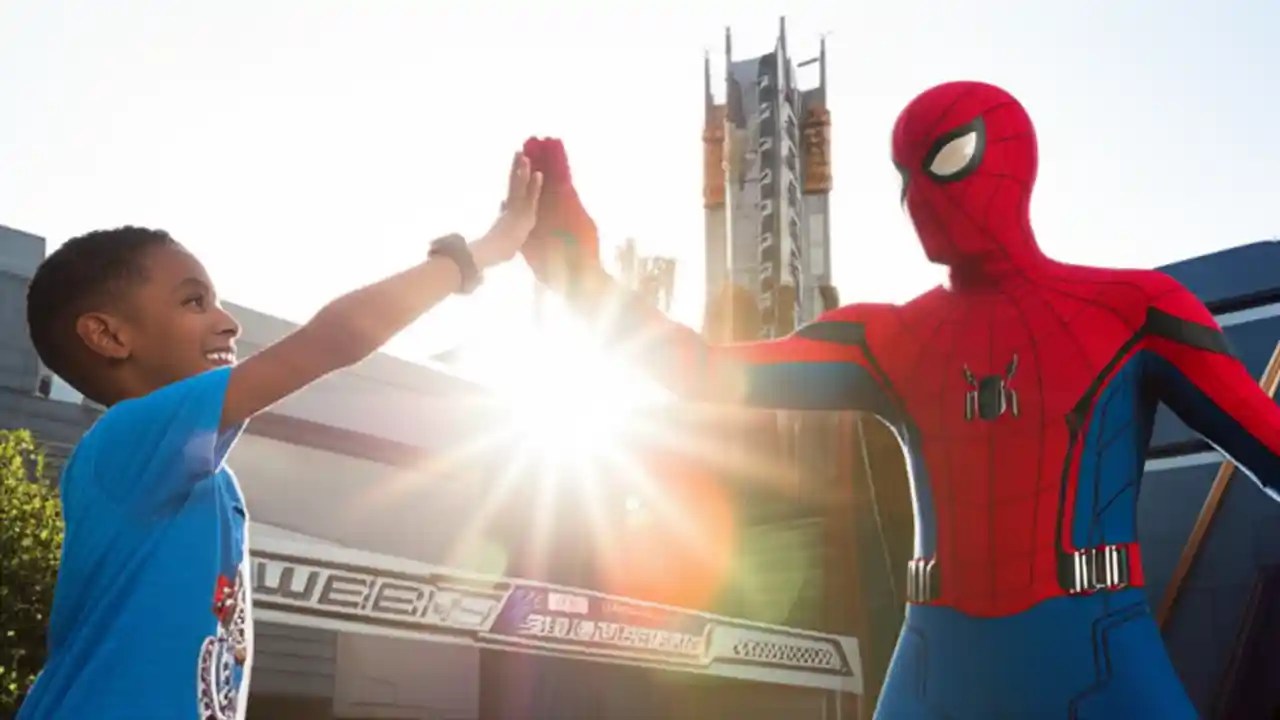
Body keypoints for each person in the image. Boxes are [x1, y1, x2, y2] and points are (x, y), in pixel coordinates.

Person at [517, 81, 1280, 719]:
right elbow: (704, 371)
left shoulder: (1134, 311)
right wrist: (584, 282)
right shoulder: (885, 338)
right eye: (902, 174)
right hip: (940, 658)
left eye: (945, 161)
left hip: (1098, 650)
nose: (917, 196)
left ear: (1013, 161)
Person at [17, 154, 542, 720]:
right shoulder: (126, 440)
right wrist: (477, 254)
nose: (228, 322)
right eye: (194, 301)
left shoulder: (205, 480)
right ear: (108, 335)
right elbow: (334, 339)